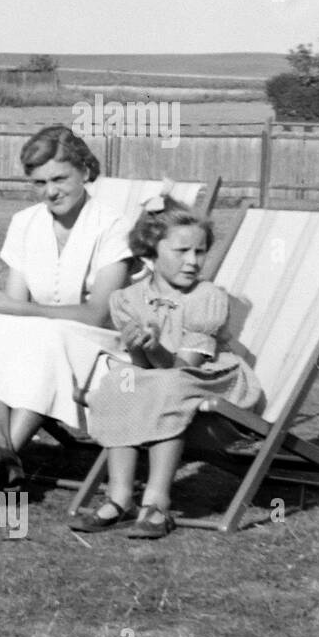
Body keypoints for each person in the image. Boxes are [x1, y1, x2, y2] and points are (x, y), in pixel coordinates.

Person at [0, 126, 133, 492]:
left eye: (59, 178)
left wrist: (20, 311)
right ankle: (0, 457)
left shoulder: (112, 225)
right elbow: (12, 305)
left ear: (84, 170)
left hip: (100, 344)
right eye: (39, 183)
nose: (50, 192)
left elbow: (98, 313)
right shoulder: (26, 222)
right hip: (44, 338)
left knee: (42, 334)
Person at [71, 198, 260, 538]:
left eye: (200, 252)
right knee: (119, 380)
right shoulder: (129, 298)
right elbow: (145, 366)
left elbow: (184, 367)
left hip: (210, 379)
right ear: (149, 255)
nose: (193, 261)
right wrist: (138, 346)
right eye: (182, 250)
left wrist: (154, 346)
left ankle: (157, 501)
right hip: (164, 377)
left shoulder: (206, 297)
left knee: (166, 387)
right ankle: (120, 497)